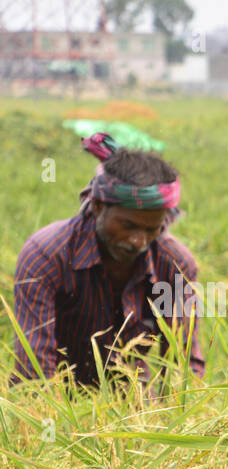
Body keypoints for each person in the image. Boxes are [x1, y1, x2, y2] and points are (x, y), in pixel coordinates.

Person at [10, 133, 203, 386]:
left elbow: (182, 361)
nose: (139, 241)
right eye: (128, 225)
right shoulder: (47, 255)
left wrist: (177, 421)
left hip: (131, 398)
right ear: (99, 206)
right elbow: (34, 367)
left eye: (151, 229)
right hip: (57, 392)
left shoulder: (175, 264)